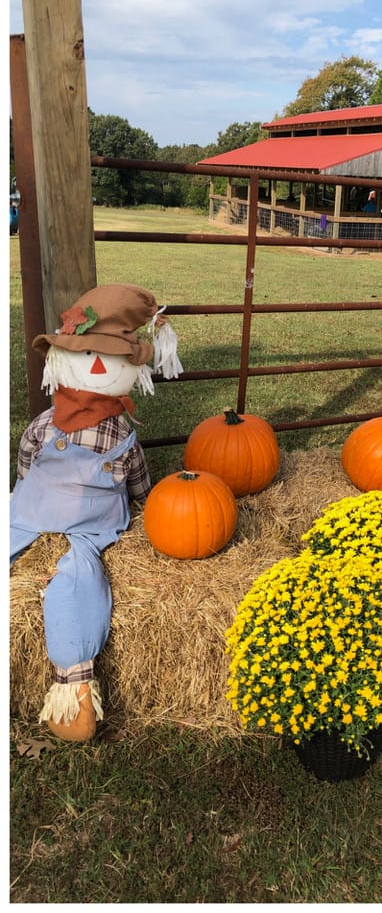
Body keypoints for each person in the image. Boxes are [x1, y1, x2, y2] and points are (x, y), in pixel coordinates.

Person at [10, 283, 182, 740]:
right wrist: (144, 500)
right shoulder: (122, 434)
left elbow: (25, 462)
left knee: (77, 575)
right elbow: (137, 482)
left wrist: (23, 487)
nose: (101, 366)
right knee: (83, 575)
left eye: (108, 357)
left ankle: (73, 690)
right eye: (88, 354)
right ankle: (75, 684)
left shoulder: (43, 424)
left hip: (33, 506)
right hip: (90, 521)